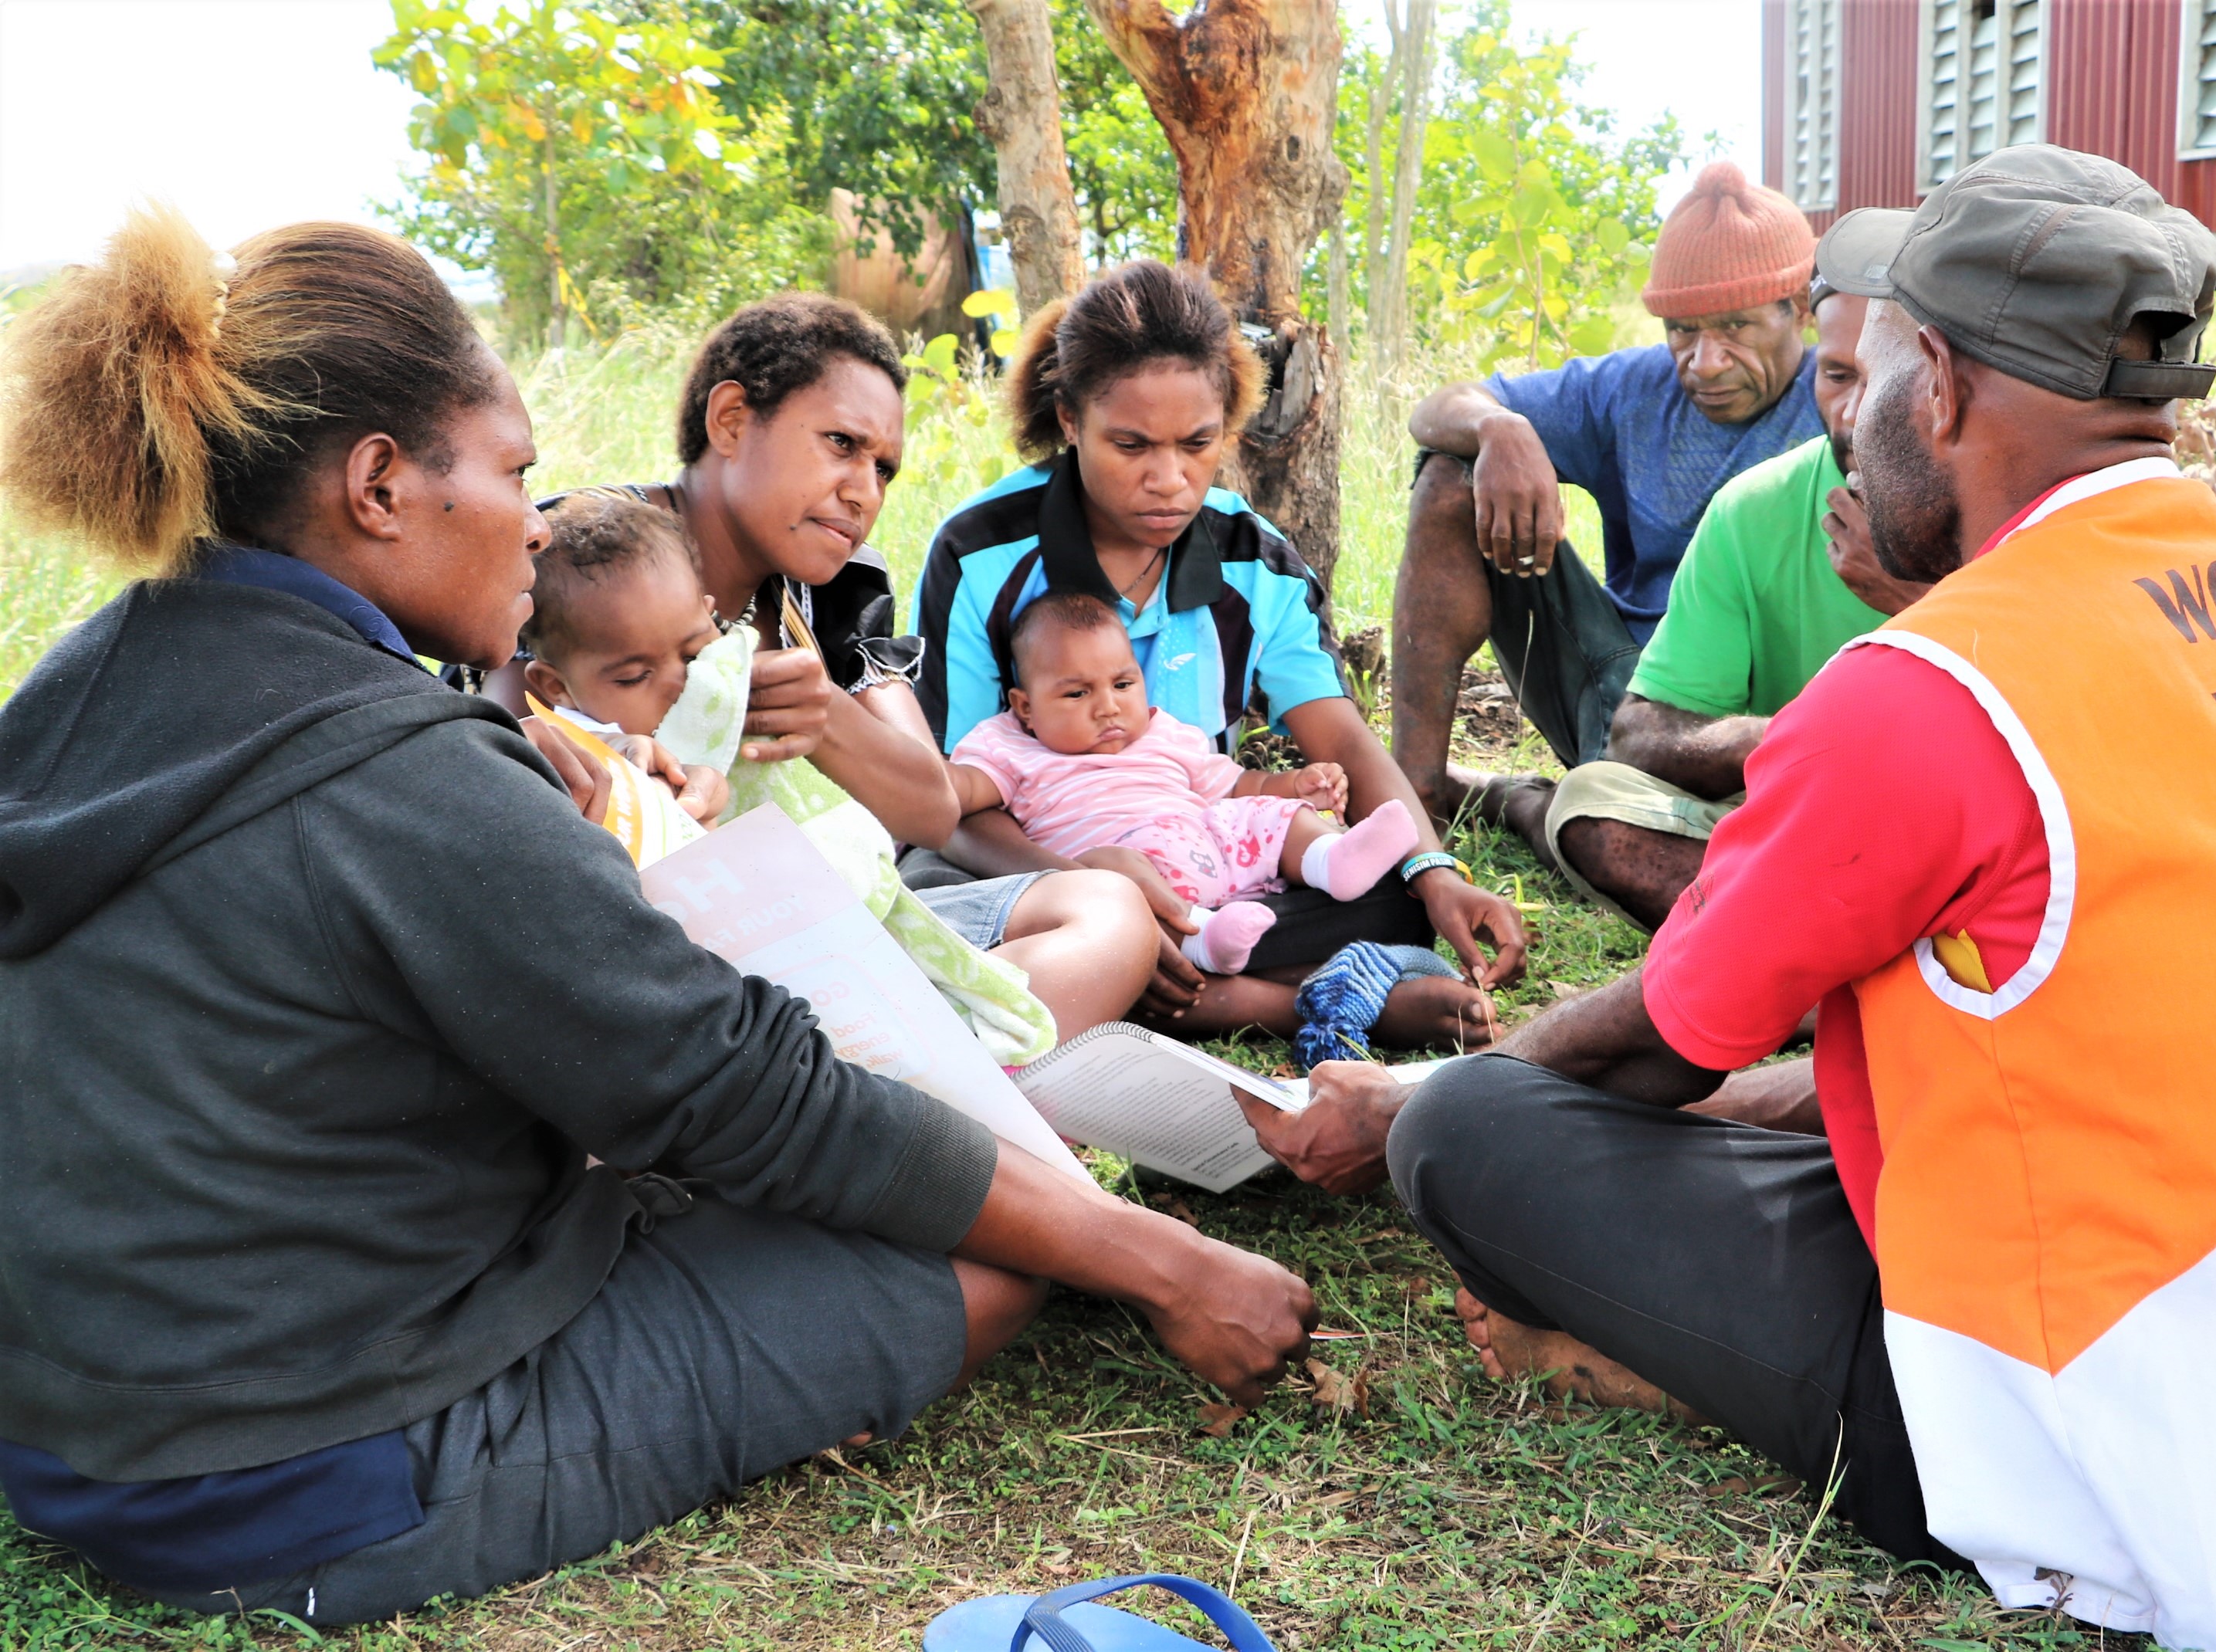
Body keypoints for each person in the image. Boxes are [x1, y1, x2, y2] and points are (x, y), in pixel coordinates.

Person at [0, 207, 1315, 1625]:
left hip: (73, 1416)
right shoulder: (405, 765)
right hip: (297, 1467)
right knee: (996, 1252)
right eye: (516, 474)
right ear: (379, 484)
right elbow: (737, 1088)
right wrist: (1168, 1264)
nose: (538, 524)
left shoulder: (90, 684)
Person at [1249, 147, 2216, 1650]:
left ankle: (1672, 1362)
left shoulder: (1929, 688)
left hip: (2117, 1444)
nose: (1847, 424)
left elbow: (1652, 1050)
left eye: (1865, 380)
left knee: (1472, 1126)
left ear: (1941, 389)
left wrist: (1407, 1096)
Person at [913, 259, 1526, 1048]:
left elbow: (1339, 740)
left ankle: (1159, 978)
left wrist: (1435, 874)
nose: (1169, 481)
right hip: (1036, 872)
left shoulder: (1255, 559)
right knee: (937, 906)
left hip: (1207, 871)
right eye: (1130, 444)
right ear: (1069, 420)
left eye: (1197, 444)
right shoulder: (979, 553)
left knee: (1391, 886)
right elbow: (950, 808)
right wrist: (1091, 893)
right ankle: (1311, 998)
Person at [552, 293, 1162, 1041]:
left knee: (1110, 911)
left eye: (884, 470)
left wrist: (826, 717)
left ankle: (903, 1100)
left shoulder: (842, 588)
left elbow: (930, 807)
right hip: (668, 954)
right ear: (732, 420)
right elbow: (515, 745)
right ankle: (928, 1107)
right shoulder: (587, 548)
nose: (864, 492)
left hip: (841, 922)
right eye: (842, 443)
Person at [524, 489, 1060, 1063]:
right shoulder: (577, 762)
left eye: (696, 649)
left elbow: (920, 819)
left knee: (1103, 917)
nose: (681, 683)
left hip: (842, 961)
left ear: (712, 616)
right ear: (555, 688)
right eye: (633, 676)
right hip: (722, 1025)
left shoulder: (788, 651)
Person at [1388, 161, 1826, 856]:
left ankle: (1527, 804)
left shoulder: (1841, 400)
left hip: (1755, 730)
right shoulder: (1631, 389)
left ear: (1801, 310)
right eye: (1682, 329)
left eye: (1736, 326)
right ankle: (1414, 795)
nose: (1705, 361)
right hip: (1622, 696)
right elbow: (1439, 406)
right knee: (1450, 473)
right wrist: (1500, 430)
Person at [1541, 280, 1933, 929]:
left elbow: (2048, 732)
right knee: (1593, 805)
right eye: (1837, 375)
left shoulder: (2012, 503)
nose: (1856, 412)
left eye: (1890, 377)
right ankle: (1818, 956)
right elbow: (1640, 735)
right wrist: (1794, 739)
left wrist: (1911, 602)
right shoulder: (1756, 507)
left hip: (1971, 827)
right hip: (1802, 824)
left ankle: (1806, 951)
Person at [949, 592, 1423, 977]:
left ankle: (1332, 861)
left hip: (1210, 845)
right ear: (1026, 707)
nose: (1107, 707)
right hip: (1133, 872)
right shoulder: (1008, 745)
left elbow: (1238, 785)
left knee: (1266, 816)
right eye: (1077, 693)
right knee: (1113, 873)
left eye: (1122, 684)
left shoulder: (1165, 733)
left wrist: (1296, 784)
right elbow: (959, 795)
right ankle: (1204, 940)